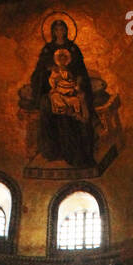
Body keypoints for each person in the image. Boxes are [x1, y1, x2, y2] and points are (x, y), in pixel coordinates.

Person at [29, 19, 96, 167]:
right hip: (54, 92)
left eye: (62, 29)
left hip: (72, 90)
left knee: (78, 105)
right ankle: (53, 149)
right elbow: (38, 74)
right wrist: (48, 71)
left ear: (66, 30)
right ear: (53, 32)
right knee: (47, 104)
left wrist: (77, 83)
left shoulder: (73, 48)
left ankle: (77, 151)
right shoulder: (47, 49)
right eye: (57, 29)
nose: (60, 32)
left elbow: (81, 72)